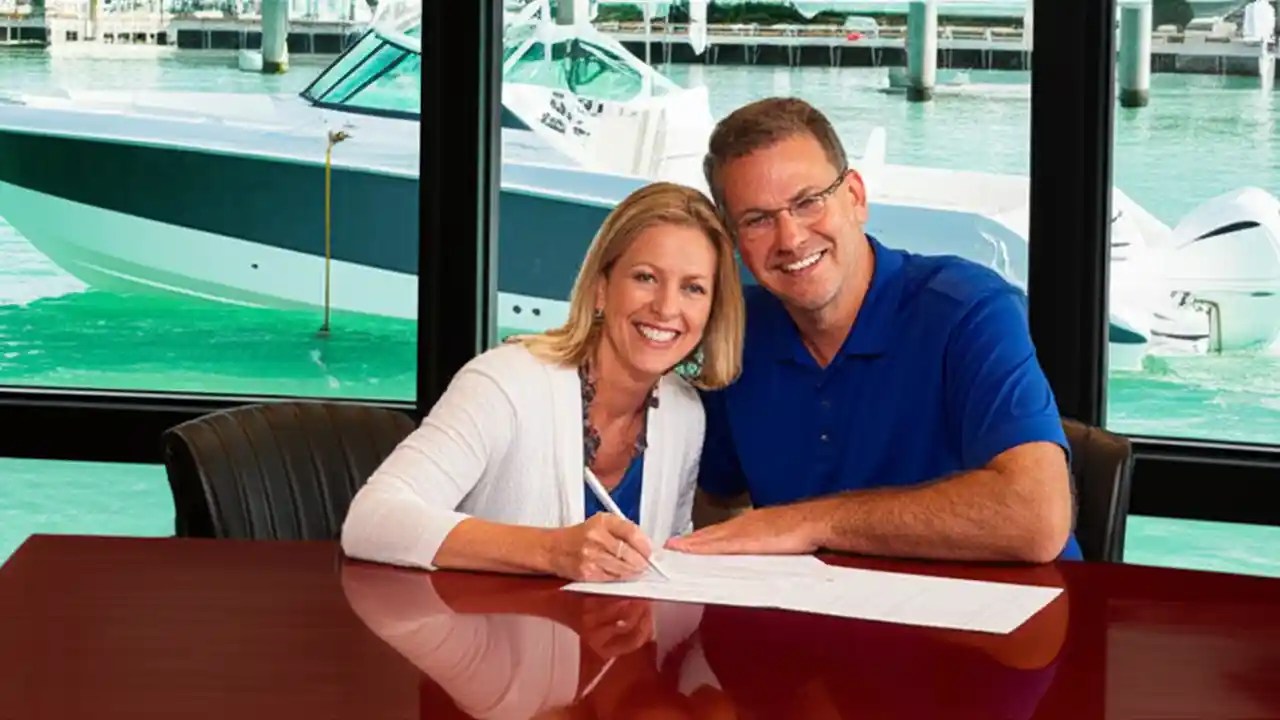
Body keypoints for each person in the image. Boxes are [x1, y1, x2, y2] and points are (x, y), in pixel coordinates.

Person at [665, 97, 1080, 563]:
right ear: (733, 238)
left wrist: (809, 522)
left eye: (808, 202)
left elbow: (1037, 518)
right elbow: (709, 504)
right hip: (822, 622)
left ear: (855, 198)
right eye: (758, 220)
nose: (791, 239)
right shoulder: (737, 332)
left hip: (1007, 622)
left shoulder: (969, 309)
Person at [341, 181, 744, 581]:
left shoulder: (685, 413)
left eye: (693, 288)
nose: (667, 307)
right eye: (645, 278)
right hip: (482, 641)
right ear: (602, 288)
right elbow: (372, 519)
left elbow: (666, 562)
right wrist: (552, 551)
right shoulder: (504, 382)